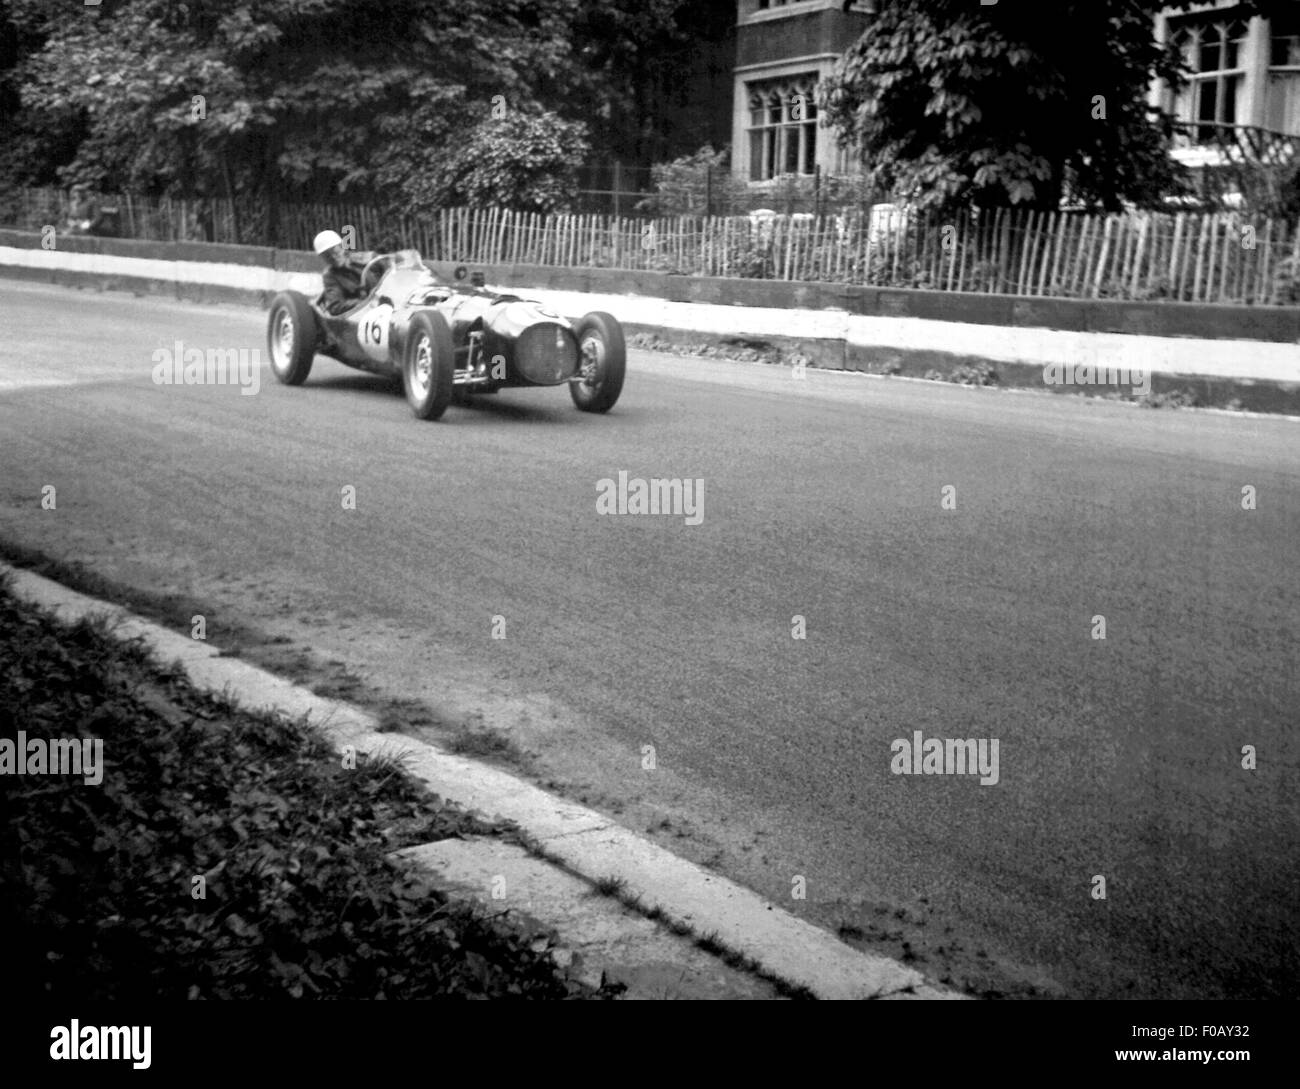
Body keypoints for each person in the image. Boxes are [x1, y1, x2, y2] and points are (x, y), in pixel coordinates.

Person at [313, 229, 376, 314]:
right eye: (327, 255)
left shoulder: (362, 258)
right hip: (364, 313)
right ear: (322, 258)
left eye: (335, 251)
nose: (333, 257)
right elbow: (336, 306)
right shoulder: (330, 277)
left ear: (342, 247)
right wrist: (366, 303)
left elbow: (390, 263)